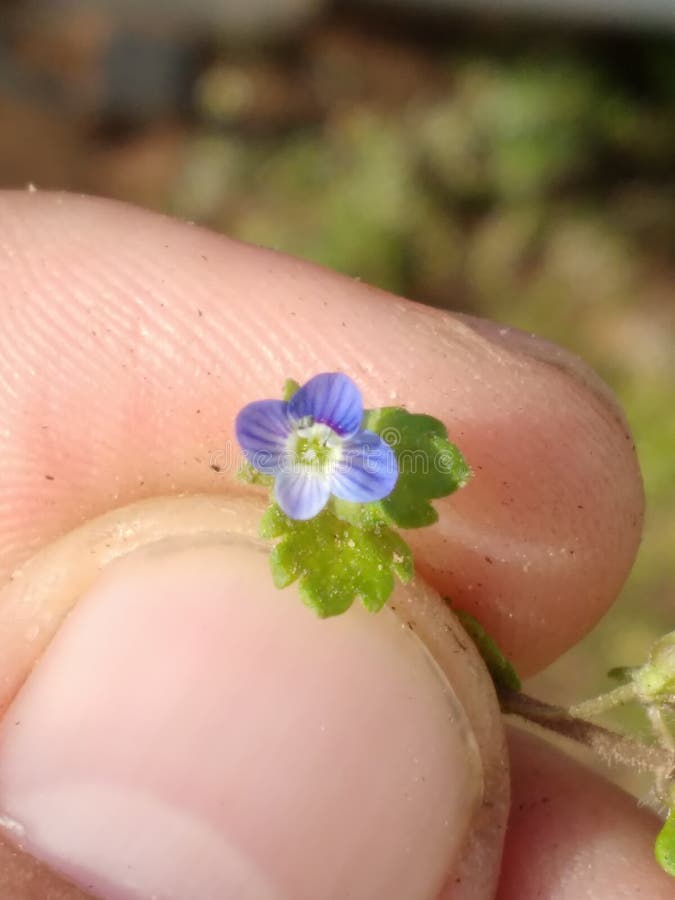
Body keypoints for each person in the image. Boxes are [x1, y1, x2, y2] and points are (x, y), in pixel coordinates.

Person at [0, 191, 670, 899]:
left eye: (321, 440)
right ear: (292, 435)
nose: (315, 446)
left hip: (352, 477)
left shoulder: (355, 455)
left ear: (333, 433)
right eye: (307, 441)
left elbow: (368, 462)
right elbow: (300, 475)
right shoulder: (295, 467)